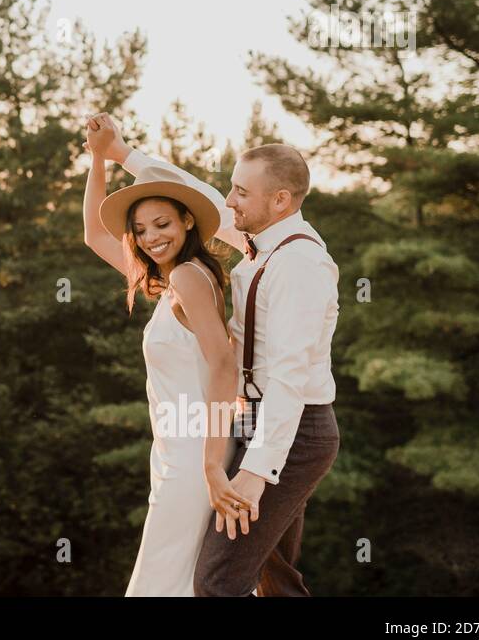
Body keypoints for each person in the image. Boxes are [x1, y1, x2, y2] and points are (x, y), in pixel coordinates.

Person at [85, 113, 341, 596]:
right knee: (276, 578)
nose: (229, 201)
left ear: (280, 199)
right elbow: (195, 193)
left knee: (219, 579)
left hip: (293, 433)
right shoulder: (257, 241)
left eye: (241, 192)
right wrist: (120, 155)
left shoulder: (299, 263)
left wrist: (255, 471)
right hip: (252, 423)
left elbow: (287, 380)